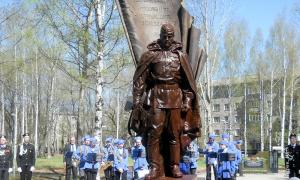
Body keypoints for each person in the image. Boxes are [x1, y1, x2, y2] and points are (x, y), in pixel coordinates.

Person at [132, 23, 200, 179]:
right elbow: (139, 81)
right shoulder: (150, 55)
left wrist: (187, 101)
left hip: (175, 98)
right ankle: (154, 168)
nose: (167, 39)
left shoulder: (180, 56)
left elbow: (188, 83)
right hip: (156, 97)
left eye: (170, 36)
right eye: (165, 36)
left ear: (173, 36)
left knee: (174, 134)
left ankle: (174, 166)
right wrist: (136, 102)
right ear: (160, 35)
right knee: (153, 134)